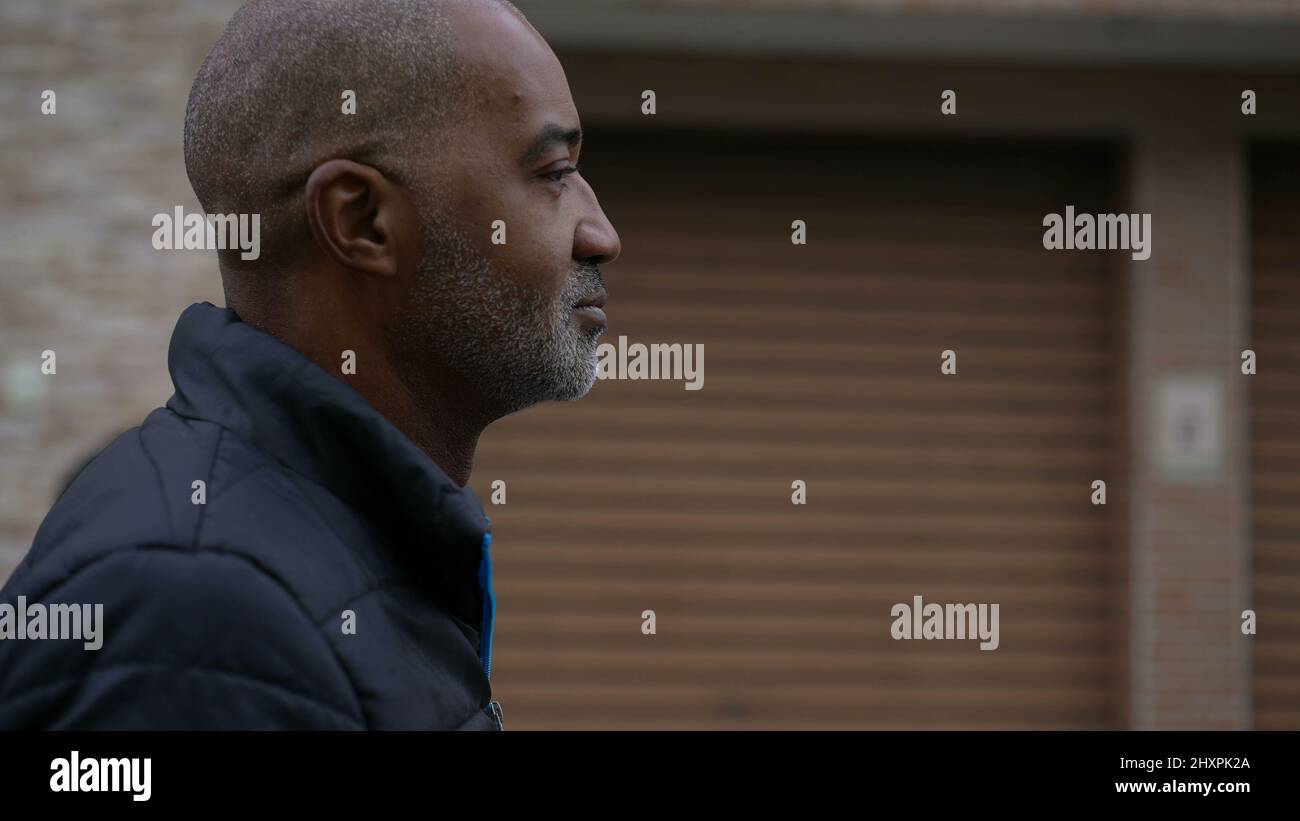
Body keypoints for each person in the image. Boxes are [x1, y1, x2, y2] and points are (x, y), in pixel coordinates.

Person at [0, 0, 620, 730]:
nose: (601, 234)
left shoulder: (345, 545)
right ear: (360, 221)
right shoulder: (197, 615)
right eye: (553, 172)